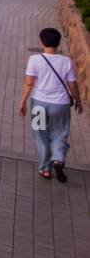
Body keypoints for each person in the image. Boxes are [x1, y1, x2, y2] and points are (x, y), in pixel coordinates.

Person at [18, 26, 83, 182]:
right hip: (61, 105)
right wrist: (79, 101)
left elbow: (28, 83)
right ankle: (58, 159)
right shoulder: (66, 61)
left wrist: (23, 102)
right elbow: (73, 85)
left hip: (39, 104)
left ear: (41, 41)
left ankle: (45, 168)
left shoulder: (34, 60)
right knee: (60, 133)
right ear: (59, 43)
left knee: (40, 135)